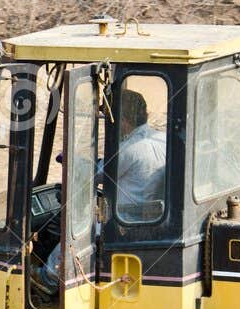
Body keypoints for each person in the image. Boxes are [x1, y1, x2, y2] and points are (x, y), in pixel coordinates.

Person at [35, 89, 167, 294]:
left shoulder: (129, 149)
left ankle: (48, 278)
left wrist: (71, 160)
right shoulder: (162, 140)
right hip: (146, 211)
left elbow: (95, 175)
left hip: (123, 218)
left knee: (77, 230)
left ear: (122, 119)